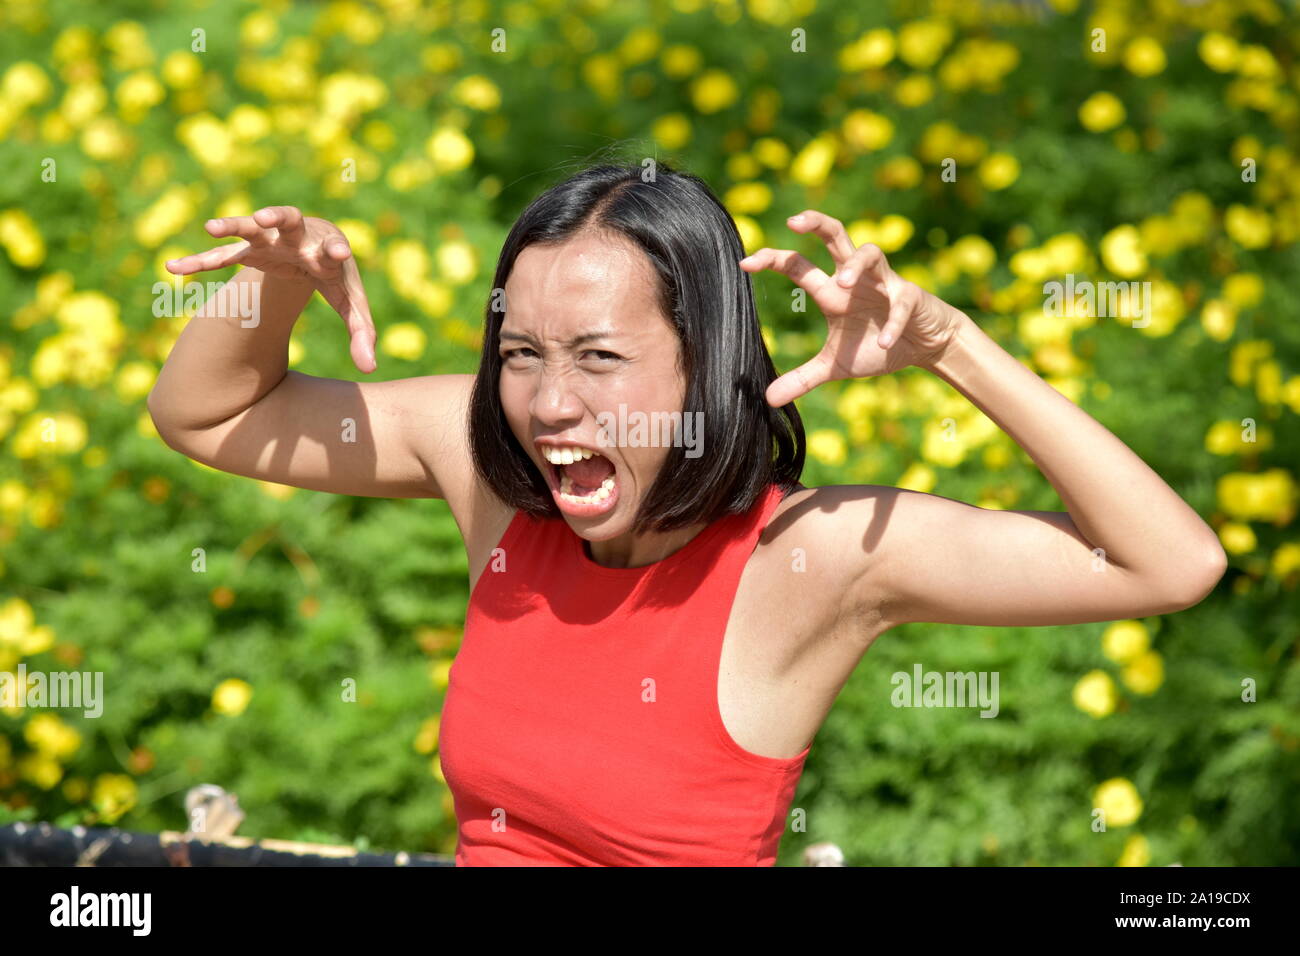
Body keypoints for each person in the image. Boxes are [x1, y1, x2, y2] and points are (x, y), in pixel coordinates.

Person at [148, 162, 1227, 866]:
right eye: (519, 353)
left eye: (600, 358)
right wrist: (270, 286)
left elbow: (1165, 564)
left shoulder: (810, 560)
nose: (551, 402)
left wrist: (950, 346)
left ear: (703, 362)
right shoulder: (492, 471)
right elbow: (207, 415)